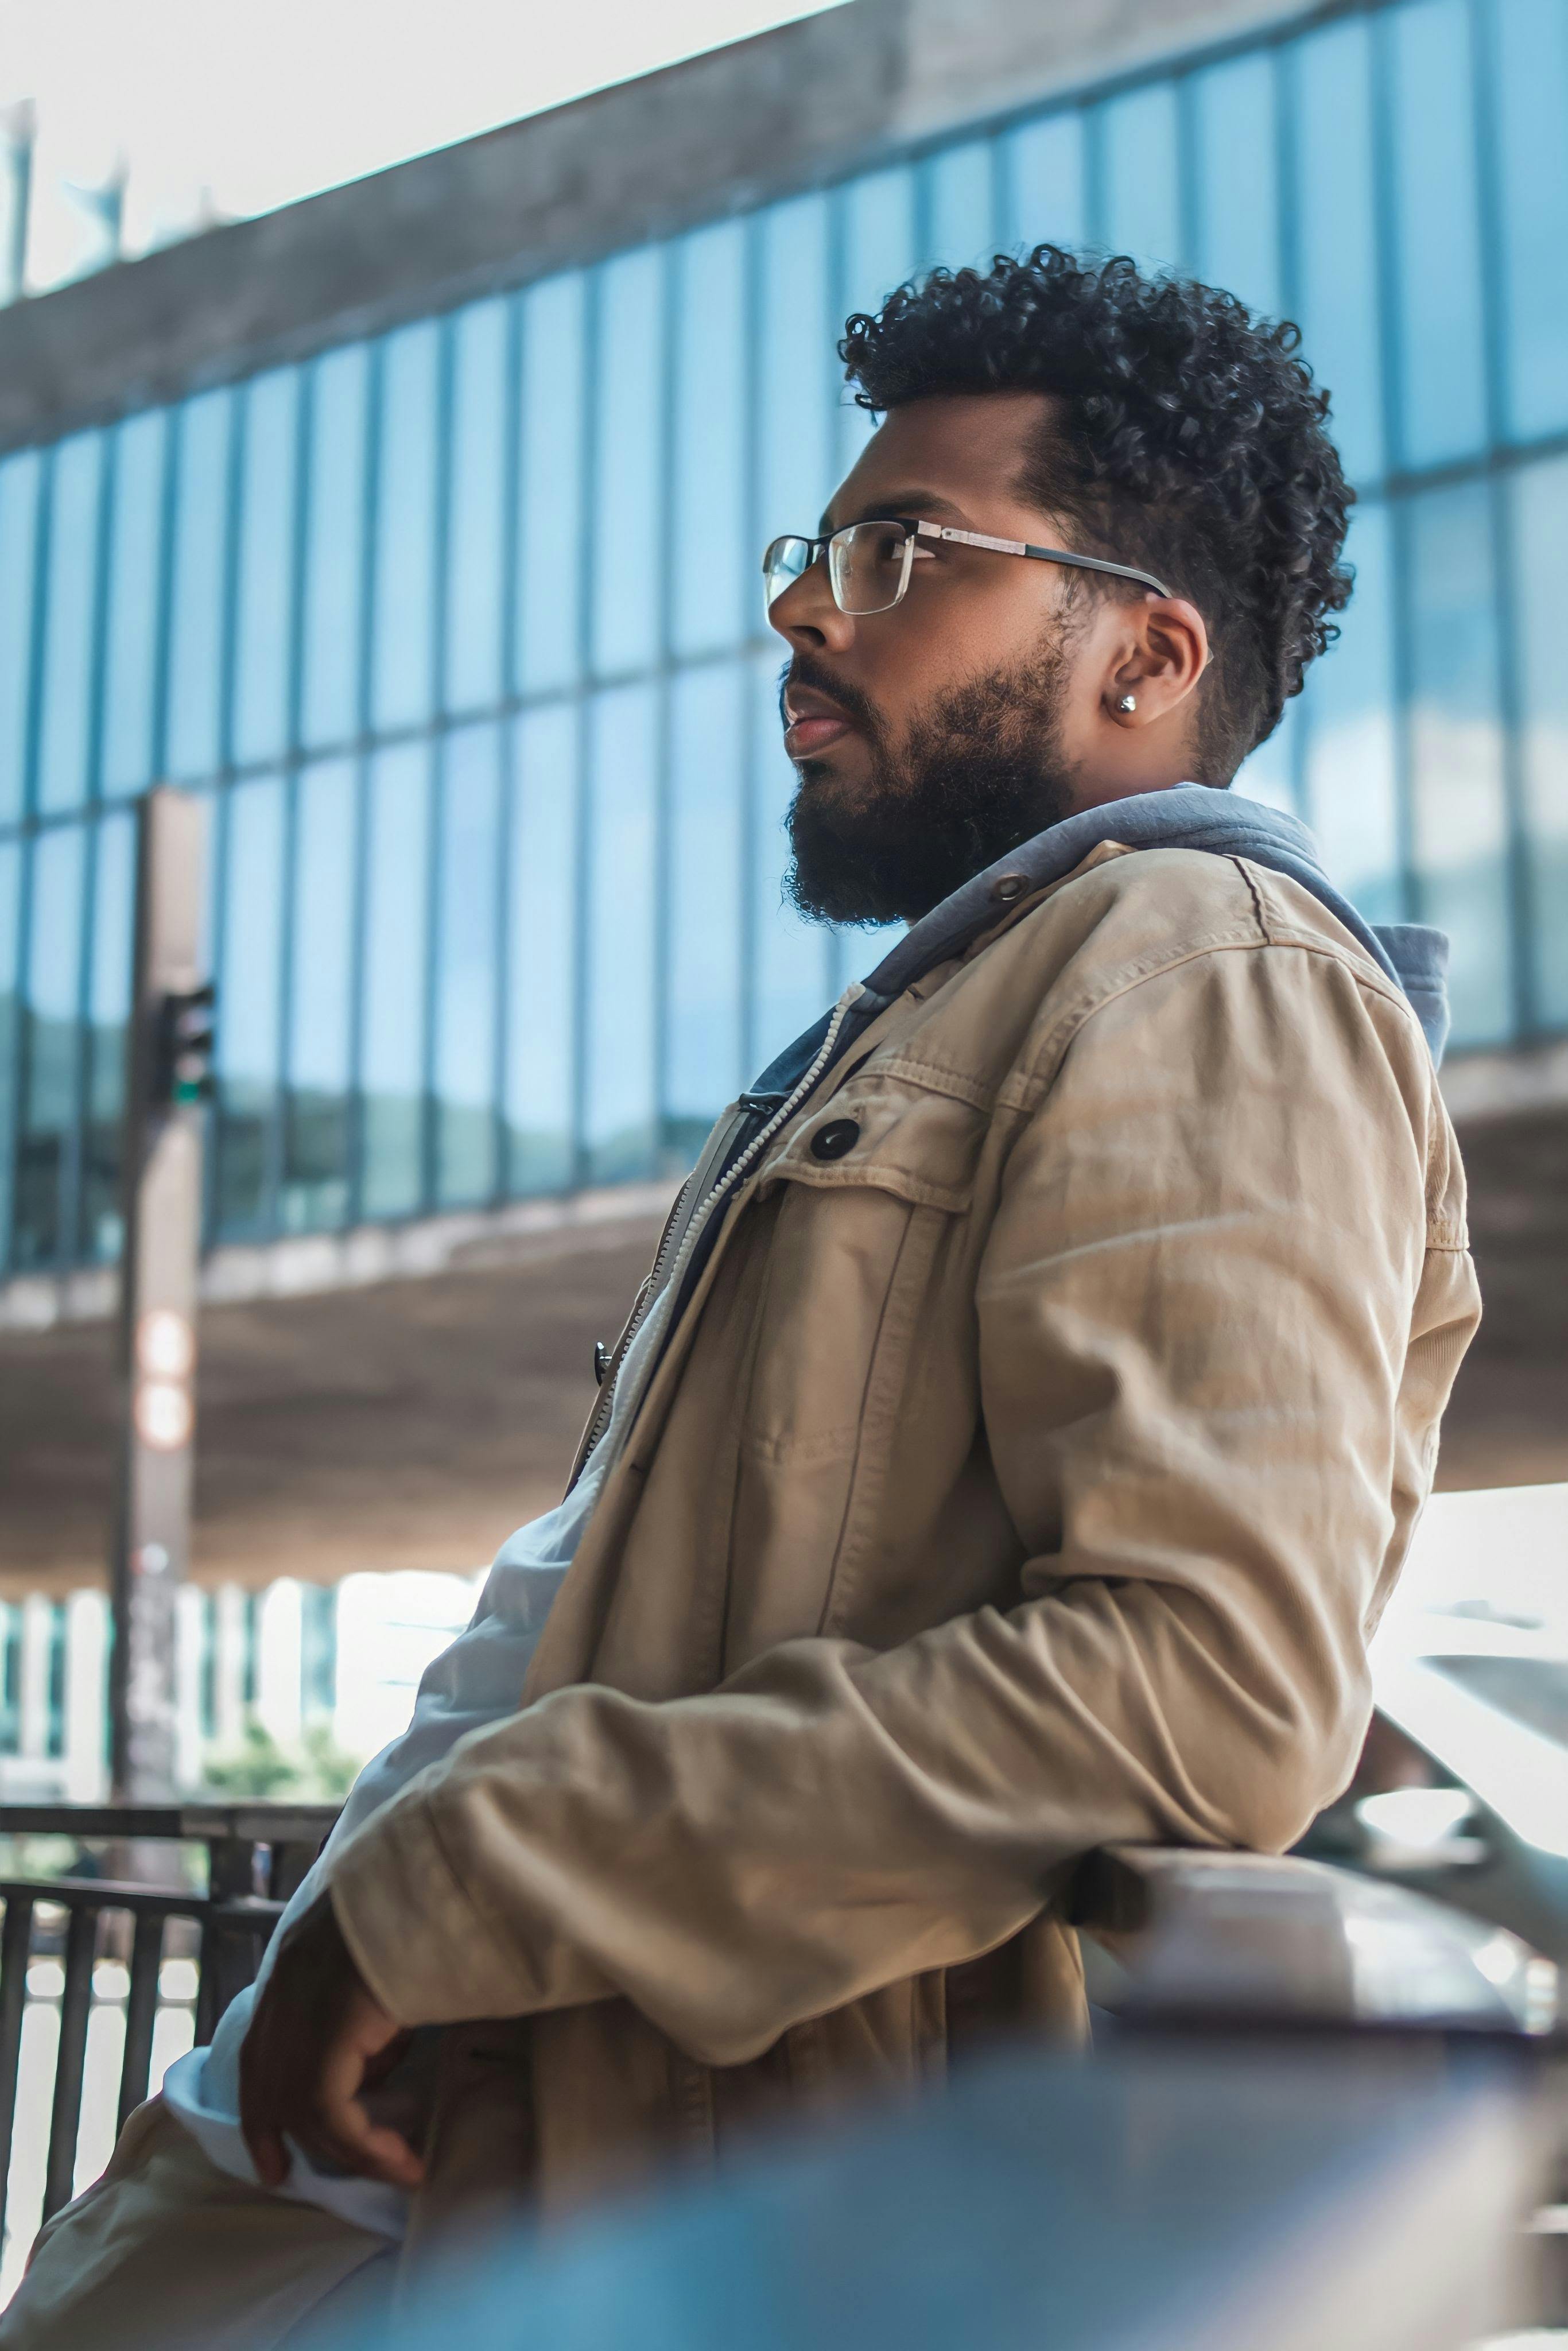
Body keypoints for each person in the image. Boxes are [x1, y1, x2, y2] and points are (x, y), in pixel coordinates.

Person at [4, 247, 1478, 2348]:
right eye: (821, 546)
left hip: (658, 2151)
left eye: (900, 552)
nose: (804, 605)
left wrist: (459, 1885)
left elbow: (1201, 1689)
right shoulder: (982, 991)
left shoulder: (1202, 964)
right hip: (467, 2103)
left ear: (1147, 651)